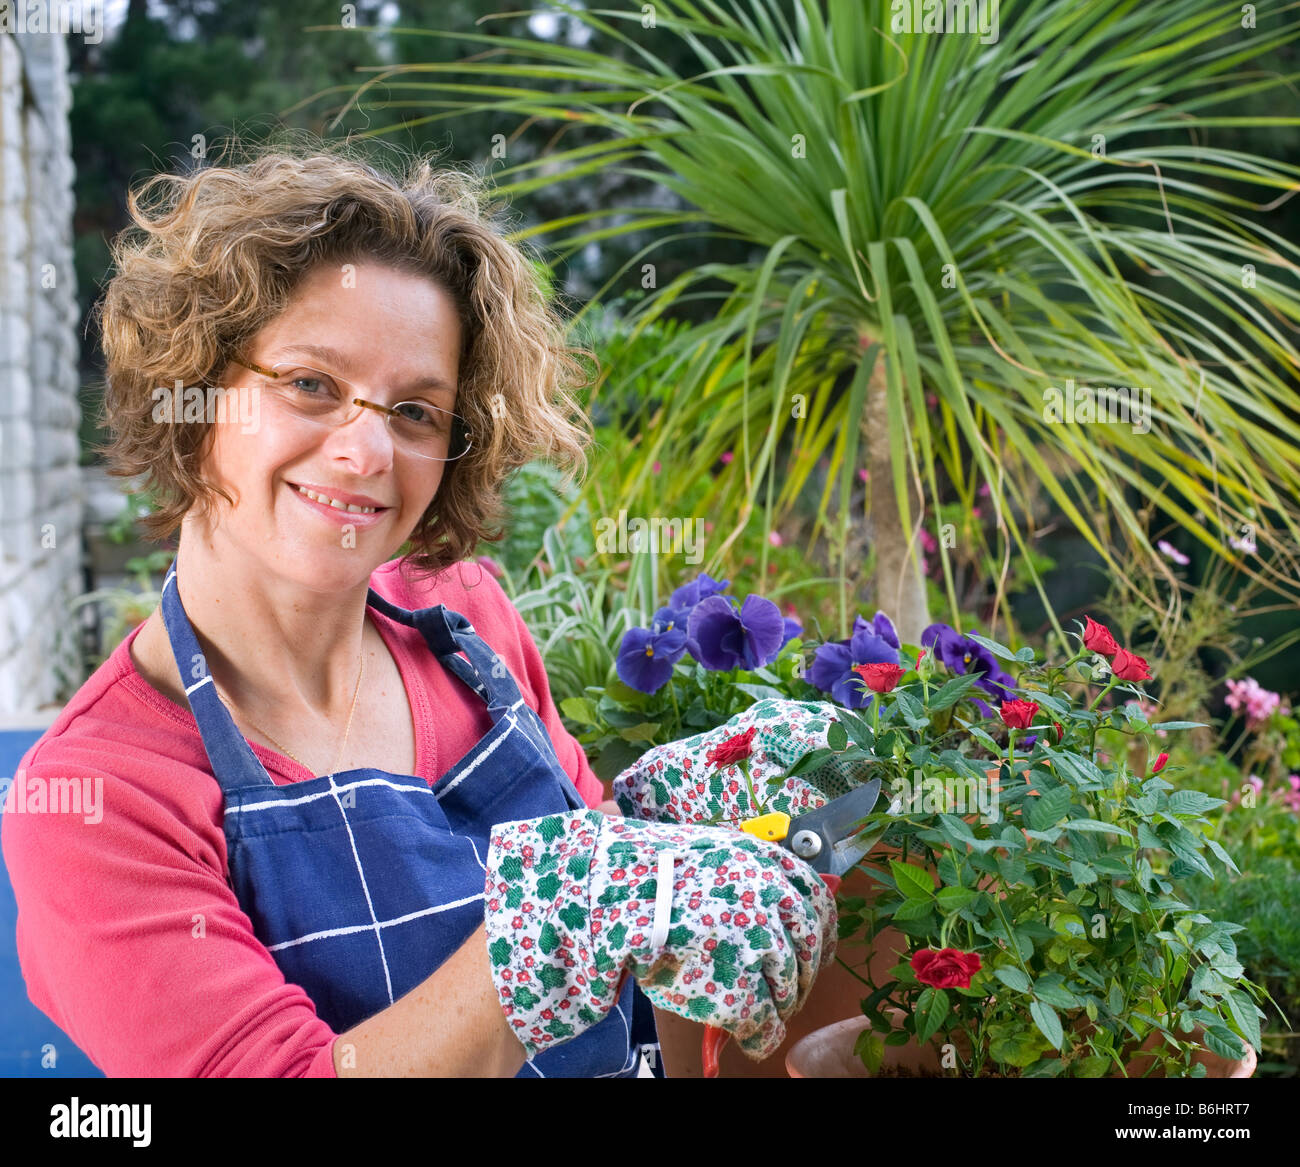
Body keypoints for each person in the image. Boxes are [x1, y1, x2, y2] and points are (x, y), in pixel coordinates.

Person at [1, 138, 837, 1077]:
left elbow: (619, 959)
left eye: (416, 411)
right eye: (311, 384)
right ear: (192, 394)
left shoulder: (465, 615)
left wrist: (670, 837)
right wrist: (563, 920)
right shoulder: (98, 801)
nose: (366, 453)